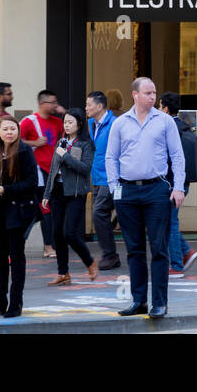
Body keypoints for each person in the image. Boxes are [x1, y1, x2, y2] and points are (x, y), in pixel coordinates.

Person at [106, 77, 186, 319]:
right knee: (134, 250)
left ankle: (159, 303)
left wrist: (179, 187)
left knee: (159, 248)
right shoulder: (120, 123)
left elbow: (178, 156)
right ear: (135, 95)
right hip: (127, 192)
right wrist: (113, 188)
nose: (153, 97)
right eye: (148, 93)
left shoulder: (164, 121)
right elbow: (110, 157)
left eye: (154, 93)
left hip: (156, 189)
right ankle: (139, 301)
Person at [0, 114, 37, 317]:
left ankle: (15, 303)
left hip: (18, 211)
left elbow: (31, 183)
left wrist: (4, 189)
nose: (9, 132)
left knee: (16, 258)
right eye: (5, 129)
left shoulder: (24, 151)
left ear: (18, 131)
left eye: (13, 129)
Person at [42, 109, 97, 285]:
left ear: (79, 124)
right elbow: (52, 171)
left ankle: (89, 262)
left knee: (70, 233)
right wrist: (47, 193)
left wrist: (65, 156)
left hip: (75, 193)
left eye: (70, 122)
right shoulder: (61, 141)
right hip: (58, 191)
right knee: (57, 233)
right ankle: (63, 273)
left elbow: (85, 168)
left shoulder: (85, 144)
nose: (66, 125)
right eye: (65, 122)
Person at [157, 93, 197, 274]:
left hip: (171, 183)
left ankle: (176, 264)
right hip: (183, 182)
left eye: (159, 106)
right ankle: (186, 252)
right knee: (168, 221)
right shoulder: (185, 126)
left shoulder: (167, 127)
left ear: (165, 108)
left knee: (170, 223)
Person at [20, 90, 64, 259]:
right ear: (42, 104)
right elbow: (15, 139)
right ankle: (48, 246)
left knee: (44, 211)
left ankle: (16, 242)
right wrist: (34, 142)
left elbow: (73, 129)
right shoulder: (30, 122)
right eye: (53, 102)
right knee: (45, 209)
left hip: (54, 171)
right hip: (38, 171)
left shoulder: (57, 121)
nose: (55, 105)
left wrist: (64, 112)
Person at [85, 90, 120, 270]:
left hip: (111, 177)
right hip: (97, 177)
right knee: (103, 214)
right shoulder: (91, 124)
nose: (86, 108)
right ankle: (111, 254)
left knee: (99, 212)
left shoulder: (115, 124)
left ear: (99, 106)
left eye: (89, 104)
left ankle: (110, 255)